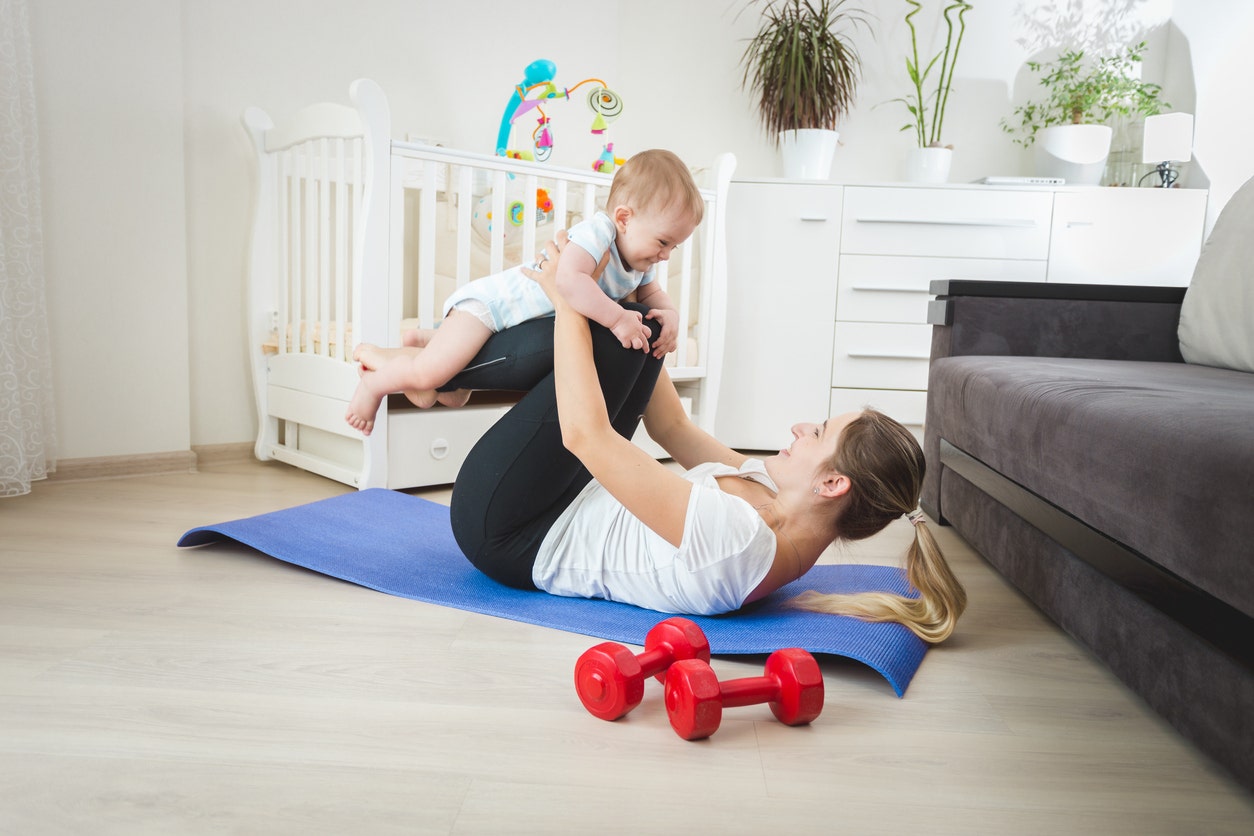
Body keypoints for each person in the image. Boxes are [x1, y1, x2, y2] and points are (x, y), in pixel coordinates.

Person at [444, 231, 968, 644]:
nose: (797, 428)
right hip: (566, 498)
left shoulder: (740, 541)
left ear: (833, 482)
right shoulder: (773, 495)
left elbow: (586, 436)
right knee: (633, 331)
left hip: (512, 531)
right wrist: (657, 325)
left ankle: (432, 373)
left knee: (594, 322)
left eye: (818, 432)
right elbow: (672, 427)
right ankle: (435, 370)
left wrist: (565, 297)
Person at [344, 148, 704, 436]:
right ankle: (374, 385)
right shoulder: (599, 233)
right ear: (624, 218)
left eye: (674, 246)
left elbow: (653, 294)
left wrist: (670, 316)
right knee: (427, 376)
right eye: (664, 241)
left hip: (512, 325)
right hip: (489, 309)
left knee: (450, 396)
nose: (666, 254)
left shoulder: (640, 261)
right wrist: (618, 318)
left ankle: (427, 338)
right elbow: (568, 281)